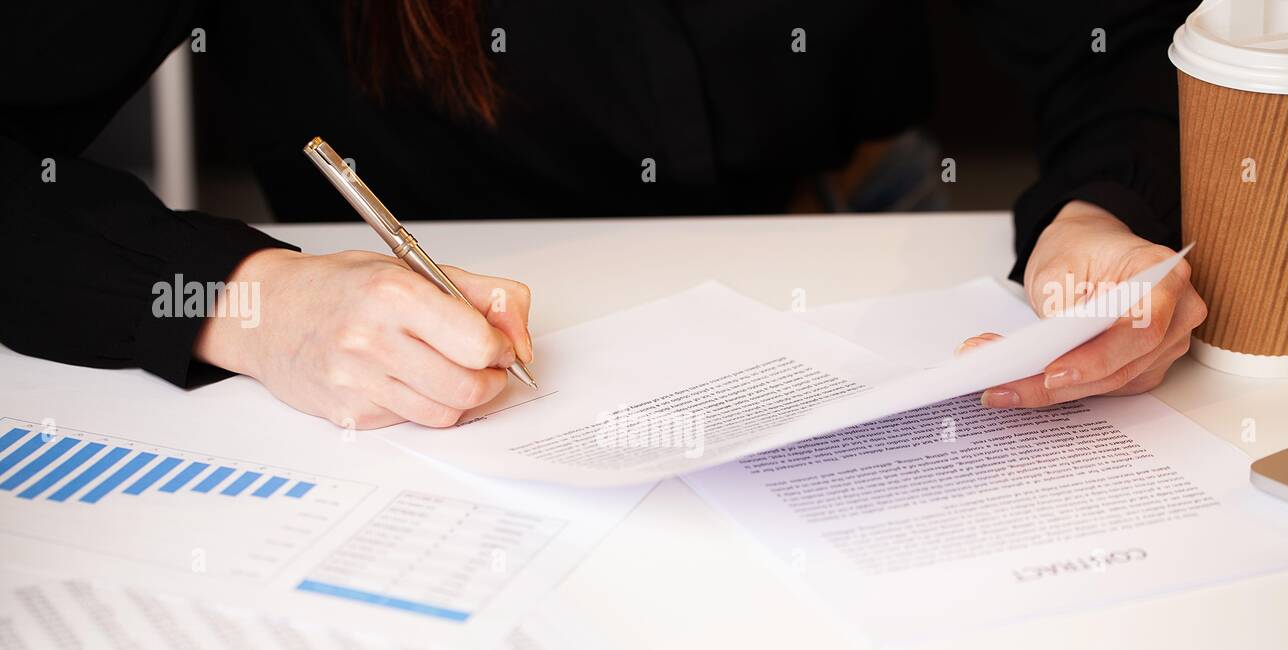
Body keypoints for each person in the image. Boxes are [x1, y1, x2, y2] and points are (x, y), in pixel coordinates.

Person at [0, 1, 1206, 429]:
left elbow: (1119, 44)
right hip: (426, 319)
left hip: (853, 229)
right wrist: (252, 301)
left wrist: (1099, 213)